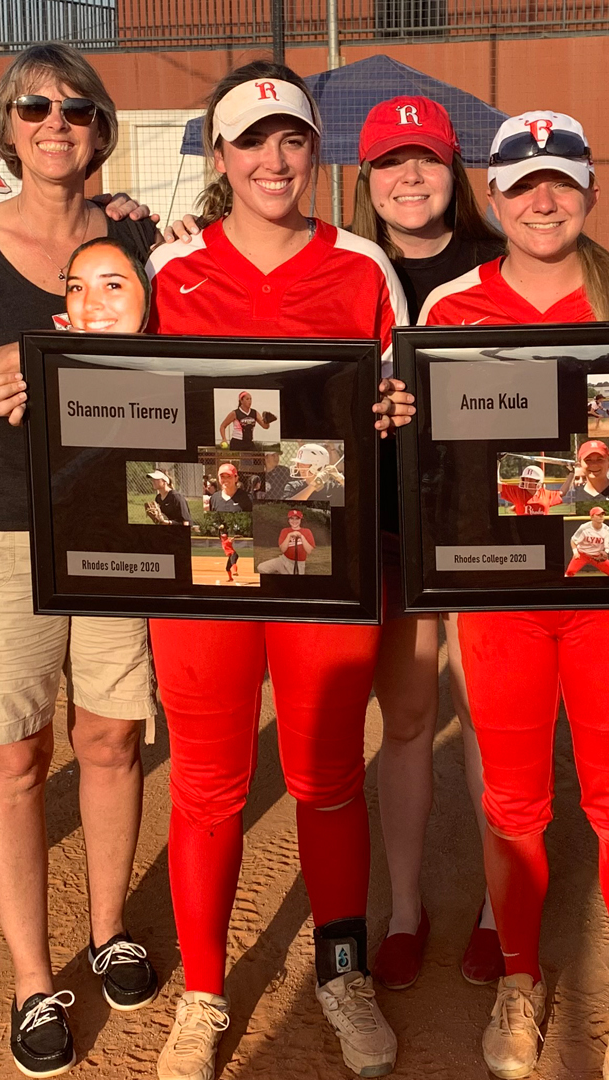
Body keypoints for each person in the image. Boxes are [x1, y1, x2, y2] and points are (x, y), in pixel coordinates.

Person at [0, 44, 173, 1077]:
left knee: (110, 738)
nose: (57, 122)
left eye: (77, 108)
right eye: (35, 107)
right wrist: (13, 363)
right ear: (6, 127)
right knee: (14, 756)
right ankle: (30, 978)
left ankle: (110, 933)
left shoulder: (137, 241)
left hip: (113, 524)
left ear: (101, 129)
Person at [144, 60, 409, 1080]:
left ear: (316, 149)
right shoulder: (167, 268)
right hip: (205, 562)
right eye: (251, 141)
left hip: (321, 563)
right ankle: (205, 995)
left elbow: (405, 405)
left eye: (291, 137)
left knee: (327, 779)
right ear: (220, 157)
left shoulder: (362, 267)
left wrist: (395, 416)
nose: (274, 159)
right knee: (209, 785)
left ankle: (342, 971)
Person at [419, 108, 609, 1080]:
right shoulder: (448, 311)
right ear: (494, 197)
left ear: (591, 190)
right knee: (513, 803)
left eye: (560, 179)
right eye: (523, 183)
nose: (543, 198)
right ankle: (519, 980)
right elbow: (441, 471)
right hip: (499, 601)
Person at [348, 94, 507, 989]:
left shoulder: (501, 259)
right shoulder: (348, 269)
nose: (411, 177)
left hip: (486, 540)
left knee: (490, 721)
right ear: (367, 181)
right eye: (390, 162)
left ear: (456, 172)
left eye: (429, 160)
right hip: (392, 536)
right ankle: (406, 911)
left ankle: (495, 905)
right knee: (407, 722)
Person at [256, 506, 319, 575]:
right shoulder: (285, 531)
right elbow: (283, 549)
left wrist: (301, 536)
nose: (294, 521)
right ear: (288, 520)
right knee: (261, 567)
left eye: (297, 519)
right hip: (283, 560)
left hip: (298, 563)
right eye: (292, 518)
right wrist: (289, 535)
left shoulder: (307, 531)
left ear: (301, 520)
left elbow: (309, 551)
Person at [278, 442, 343, 503]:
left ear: (318, 465)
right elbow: (288, 505)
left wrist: (340, 478)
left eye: (304, 463)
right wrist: (313, 485)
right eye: (298, 463)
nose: (299, 467)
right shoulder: (294, 486)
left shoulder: (333, 488)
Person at [566, 504, 609, 576]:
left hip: (597, 556)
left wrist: (605, 553)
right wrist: (575, 552)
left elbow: (607, 547)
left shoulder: (607, 529)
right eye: (598, 515)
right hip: (582, 554)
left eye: (603, 514)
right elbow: (573, 540)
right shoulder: (584, 527)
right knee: (570, 572)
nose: (601, 516)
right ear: (592, 517)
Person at [498, 462, 565, 516]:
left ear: (538, 481)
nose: (527, 481)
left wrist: (572, 472)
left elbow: (562, 492)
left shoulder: (545, 494)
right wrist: (498, 462)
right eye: (526, 478)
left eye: (530, 479)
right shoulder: (518, 492)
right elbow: (497, 486)